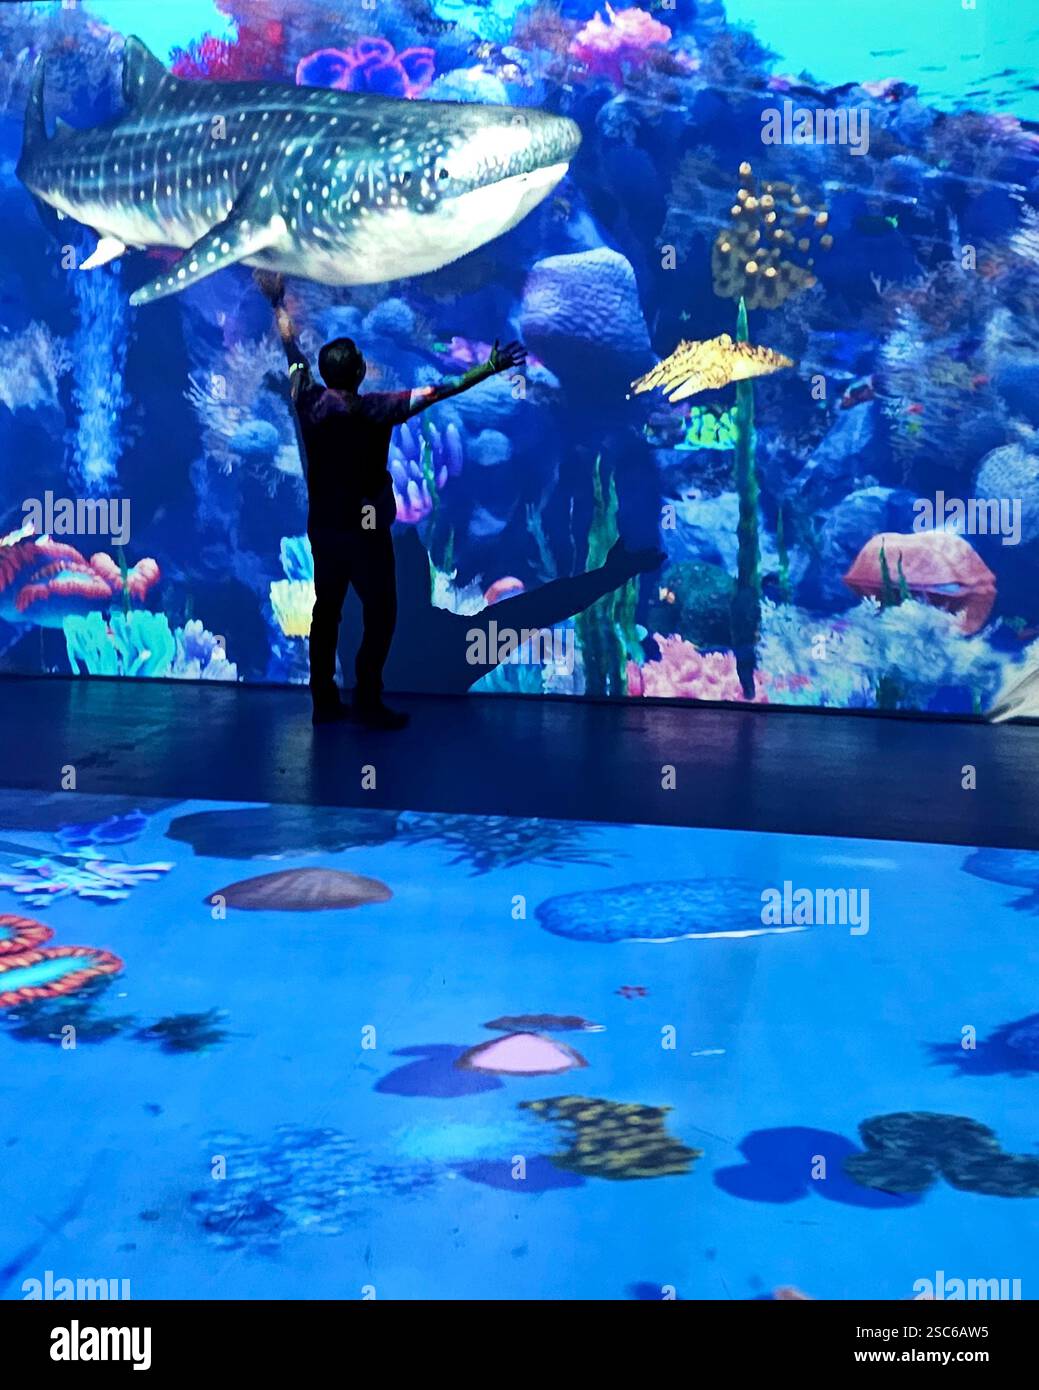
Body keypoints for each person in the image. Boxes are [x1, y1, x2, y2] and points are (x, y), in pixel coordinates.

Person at [255, 271, 525, 727]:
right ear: (358, 372)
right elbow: (441, 391)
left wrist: (277, 300)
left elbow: (291, 348)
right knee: (381, 613)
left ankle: (324, 701)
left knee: (328, 610)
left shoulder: (306, 399)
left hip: (325, 526)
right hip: (365, 529)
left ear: (326, 373)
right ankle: (367, 698)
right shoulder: (376, 407)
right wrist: (488, 367)